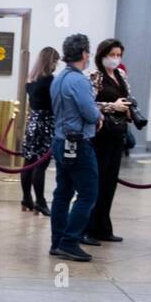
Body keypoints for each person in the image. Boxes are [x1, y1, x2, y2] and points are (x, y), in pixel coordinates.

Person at [48, 32, 103, 263]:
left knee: (62, 192)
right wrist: (99, 115)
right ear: (83, 53)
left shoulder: (59, 78)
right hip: (78, 143)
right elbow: (89, 113)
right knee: (88, 193)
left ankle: (58, 241)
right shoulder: (79, 80)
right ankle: (70, 241)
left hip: (60, 141)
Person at [84, 38, 132, 244]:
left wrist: (128, 108)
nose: (115, 59)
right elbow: (90, 103)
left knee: (110, 182)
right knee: (96, 180)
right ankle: (88, 227)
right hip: (101, 134)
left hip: (118, 133)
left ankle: (103, 226)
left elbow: (128, 96)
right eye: (111, 55)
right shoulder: (95, 76)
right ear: (101, 55)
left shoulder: (120, 74)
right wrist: (113, 106)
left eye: (118, 55)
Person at [20, 46, 58, 216]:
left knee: (29, 162)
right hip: (46, 124)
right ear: (51, 62)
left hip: (33, 122)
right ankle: (40, 201)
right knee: (40, 165)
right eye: (56, 61)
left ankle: (26, 198)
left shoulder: (31, 80)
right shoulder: (50, 81)